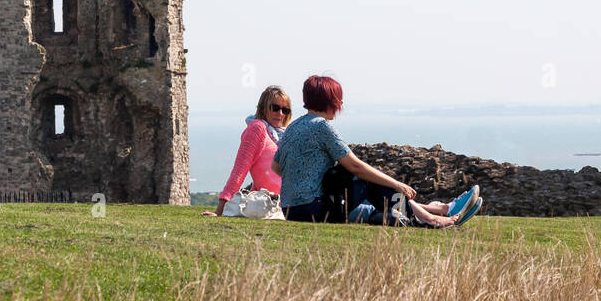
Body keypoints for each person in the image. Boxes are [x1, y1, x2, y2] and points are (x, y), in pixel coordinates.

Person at [273, 74, 482, 227]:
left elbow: (277, 167)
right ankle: (429, 218)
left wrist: (305, 176)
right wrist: (397, 184)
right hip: (314, 210)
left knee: (348, 178)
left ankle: (429, 213)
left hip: (291, 210)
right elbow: (355, 166)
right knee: (364, 178)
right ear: (331, 100)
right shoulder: (321, 126)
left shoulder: (292, 127)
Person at [202, 85, 290, 217]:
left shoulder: (282, 134)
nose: (280, 113)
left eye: (285, 110)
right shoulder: (257, 128)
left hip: (289, 202)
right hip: (274, 206)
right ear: (263, 108)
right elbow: (239, 171)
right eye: (275, 108)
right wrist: (219, 211)